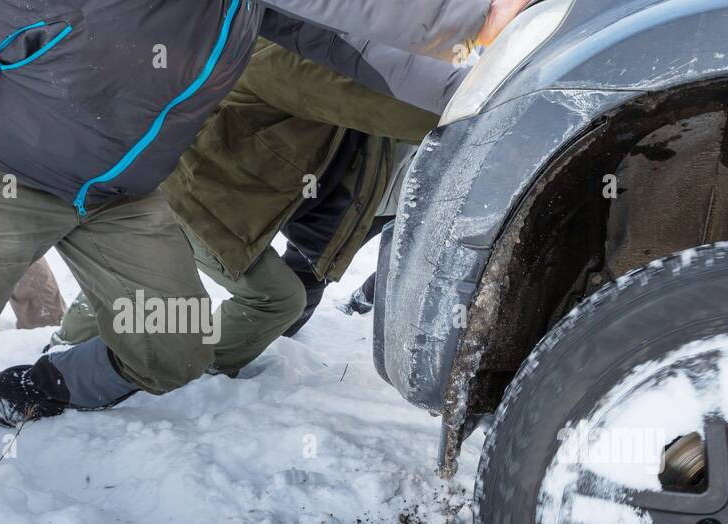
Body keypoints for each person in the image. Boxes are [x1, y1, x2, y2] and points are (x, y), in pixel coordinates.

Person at [0, 0, 528, 425]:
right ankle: (70, 342)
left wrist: (497, 90)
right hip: (14, 166)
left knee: (174, 347)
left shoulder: (248, 16)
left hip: (120, 195)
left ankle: (61, 373)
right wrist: (478, 14)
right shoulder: (271, 53)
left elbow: (362, 53)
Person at [54, 41, 446, 377]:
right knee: (276, 300)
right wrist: (471, 107)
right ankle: (200, 370)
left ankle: (72, 340)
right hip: (194, 202)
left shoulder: (299, 44)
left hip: (199, 196)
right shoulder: (291, 59)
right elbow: (369, 103)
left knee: (137, 274)